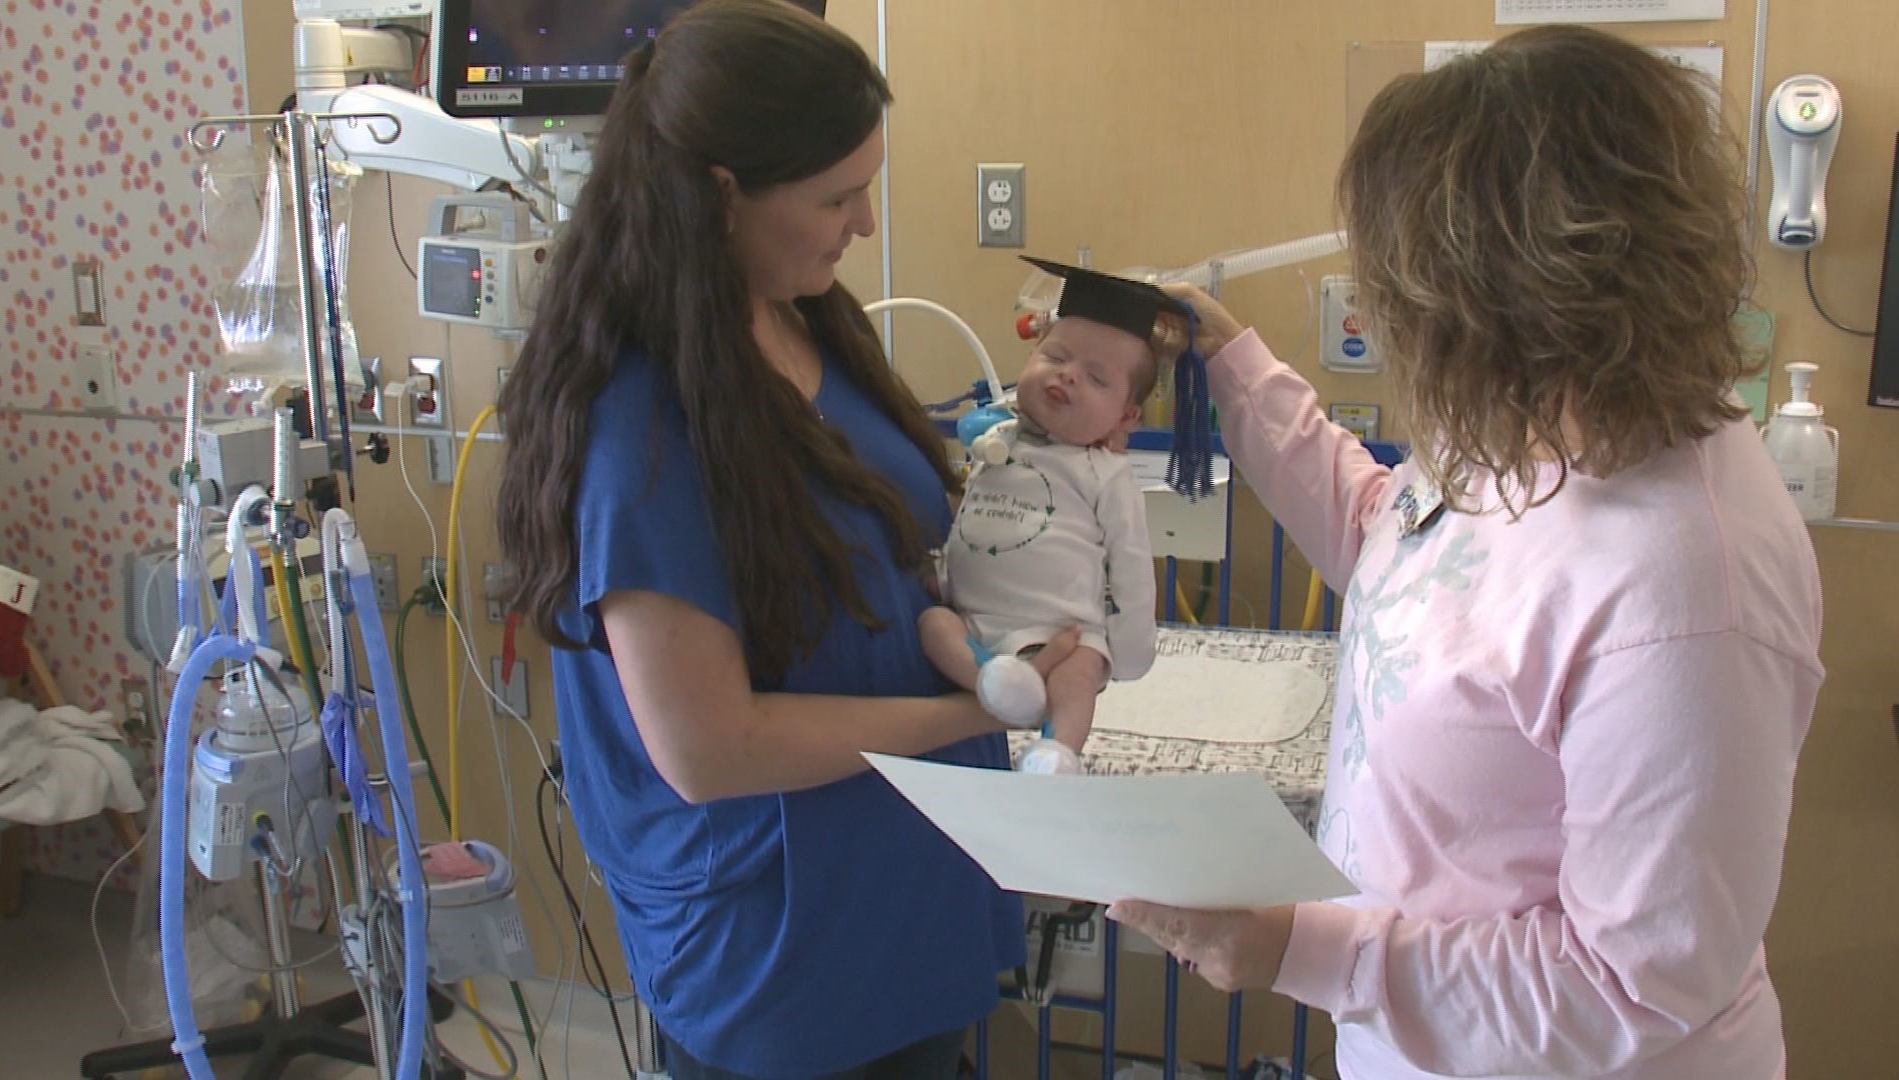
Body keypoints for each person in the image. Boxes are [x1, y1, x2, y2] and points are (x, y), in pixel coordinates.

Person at [1109, 25, 1822, 1080]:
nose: (1377, 315)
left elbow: (1630, 988)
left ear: (1511, 299)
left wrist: (1303, 951)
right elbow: (1396, 541)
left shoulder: (1684, 585)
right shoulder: (1529, 421)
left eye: (1402, 294)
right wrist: (1230, 363)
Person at [493, 2, 1046, 1076]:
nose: (866, 224)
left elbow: (884, 554)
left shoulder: (800, 315)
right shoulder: (643, 428)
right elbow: (713, 748)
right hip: (781, 939)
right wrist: (964, 716)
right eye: (837, 197)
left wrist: (1010, 640)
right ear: (720, 194)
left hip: (903, 877)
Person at [919, 259, 1171, 774]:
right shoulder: (1000, 440)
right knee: (932, 625)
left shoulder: (1105, 474)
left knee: (1081, 672)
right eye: (1054, 356)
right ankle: (994, 679)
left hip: (1062, 629)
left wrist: (1129, 650)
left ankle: (1056, 752)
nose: (1068, 374)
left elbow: (1130, 565)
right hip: (973, 619)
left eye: (1096, 378)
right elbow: (972, 516)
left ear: (1125, 417)